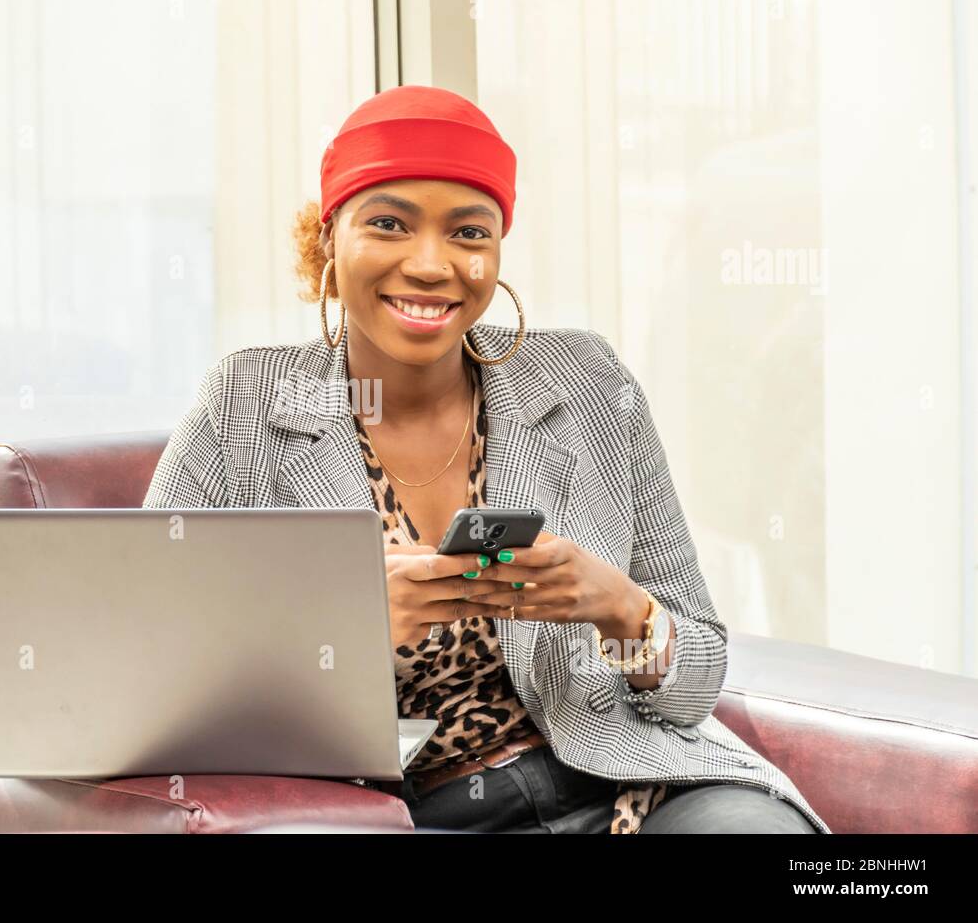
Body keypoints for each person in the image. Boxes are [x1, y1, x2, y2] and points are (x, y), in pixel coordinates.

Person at [143, 85, 829, 834]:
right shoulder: (244, 408)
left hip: (631, 790)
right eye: (389, 224)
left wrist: (618, 607)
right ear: (328, 243)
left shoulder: (589, 386)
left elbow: (696, 682)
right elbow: (156, 685)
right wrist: (339, 628)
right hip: (405, 814)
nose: (432, 264)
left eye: (469, 233)